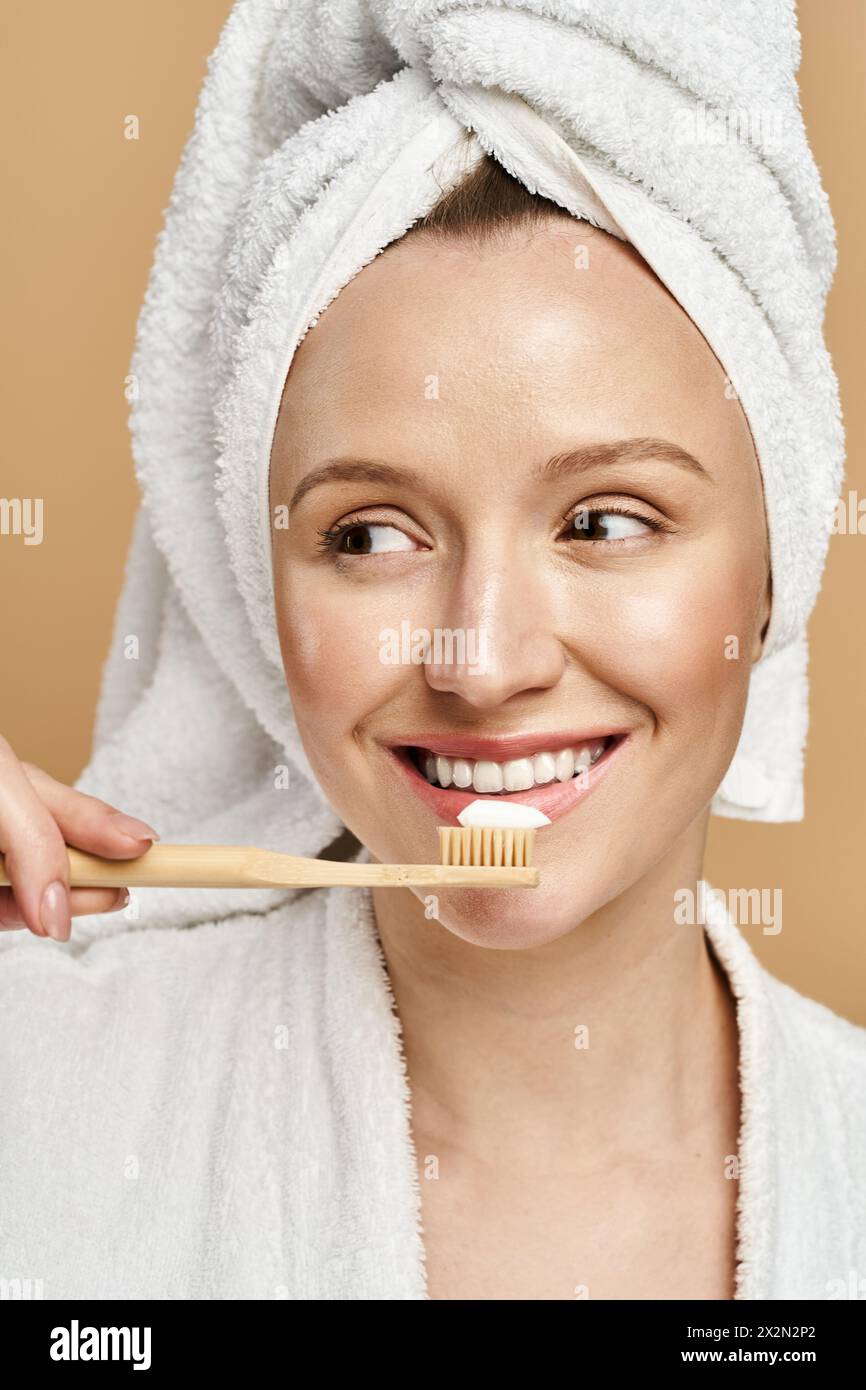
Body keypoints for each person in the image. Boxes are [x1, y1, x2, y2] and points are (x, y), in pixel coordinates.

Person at [1, 4, 863, 1302]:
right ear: (259, 586)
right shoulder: (39, 1095)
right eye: (371, 533)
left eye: (604, 519)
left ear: (770, 563)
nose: (481, 657)